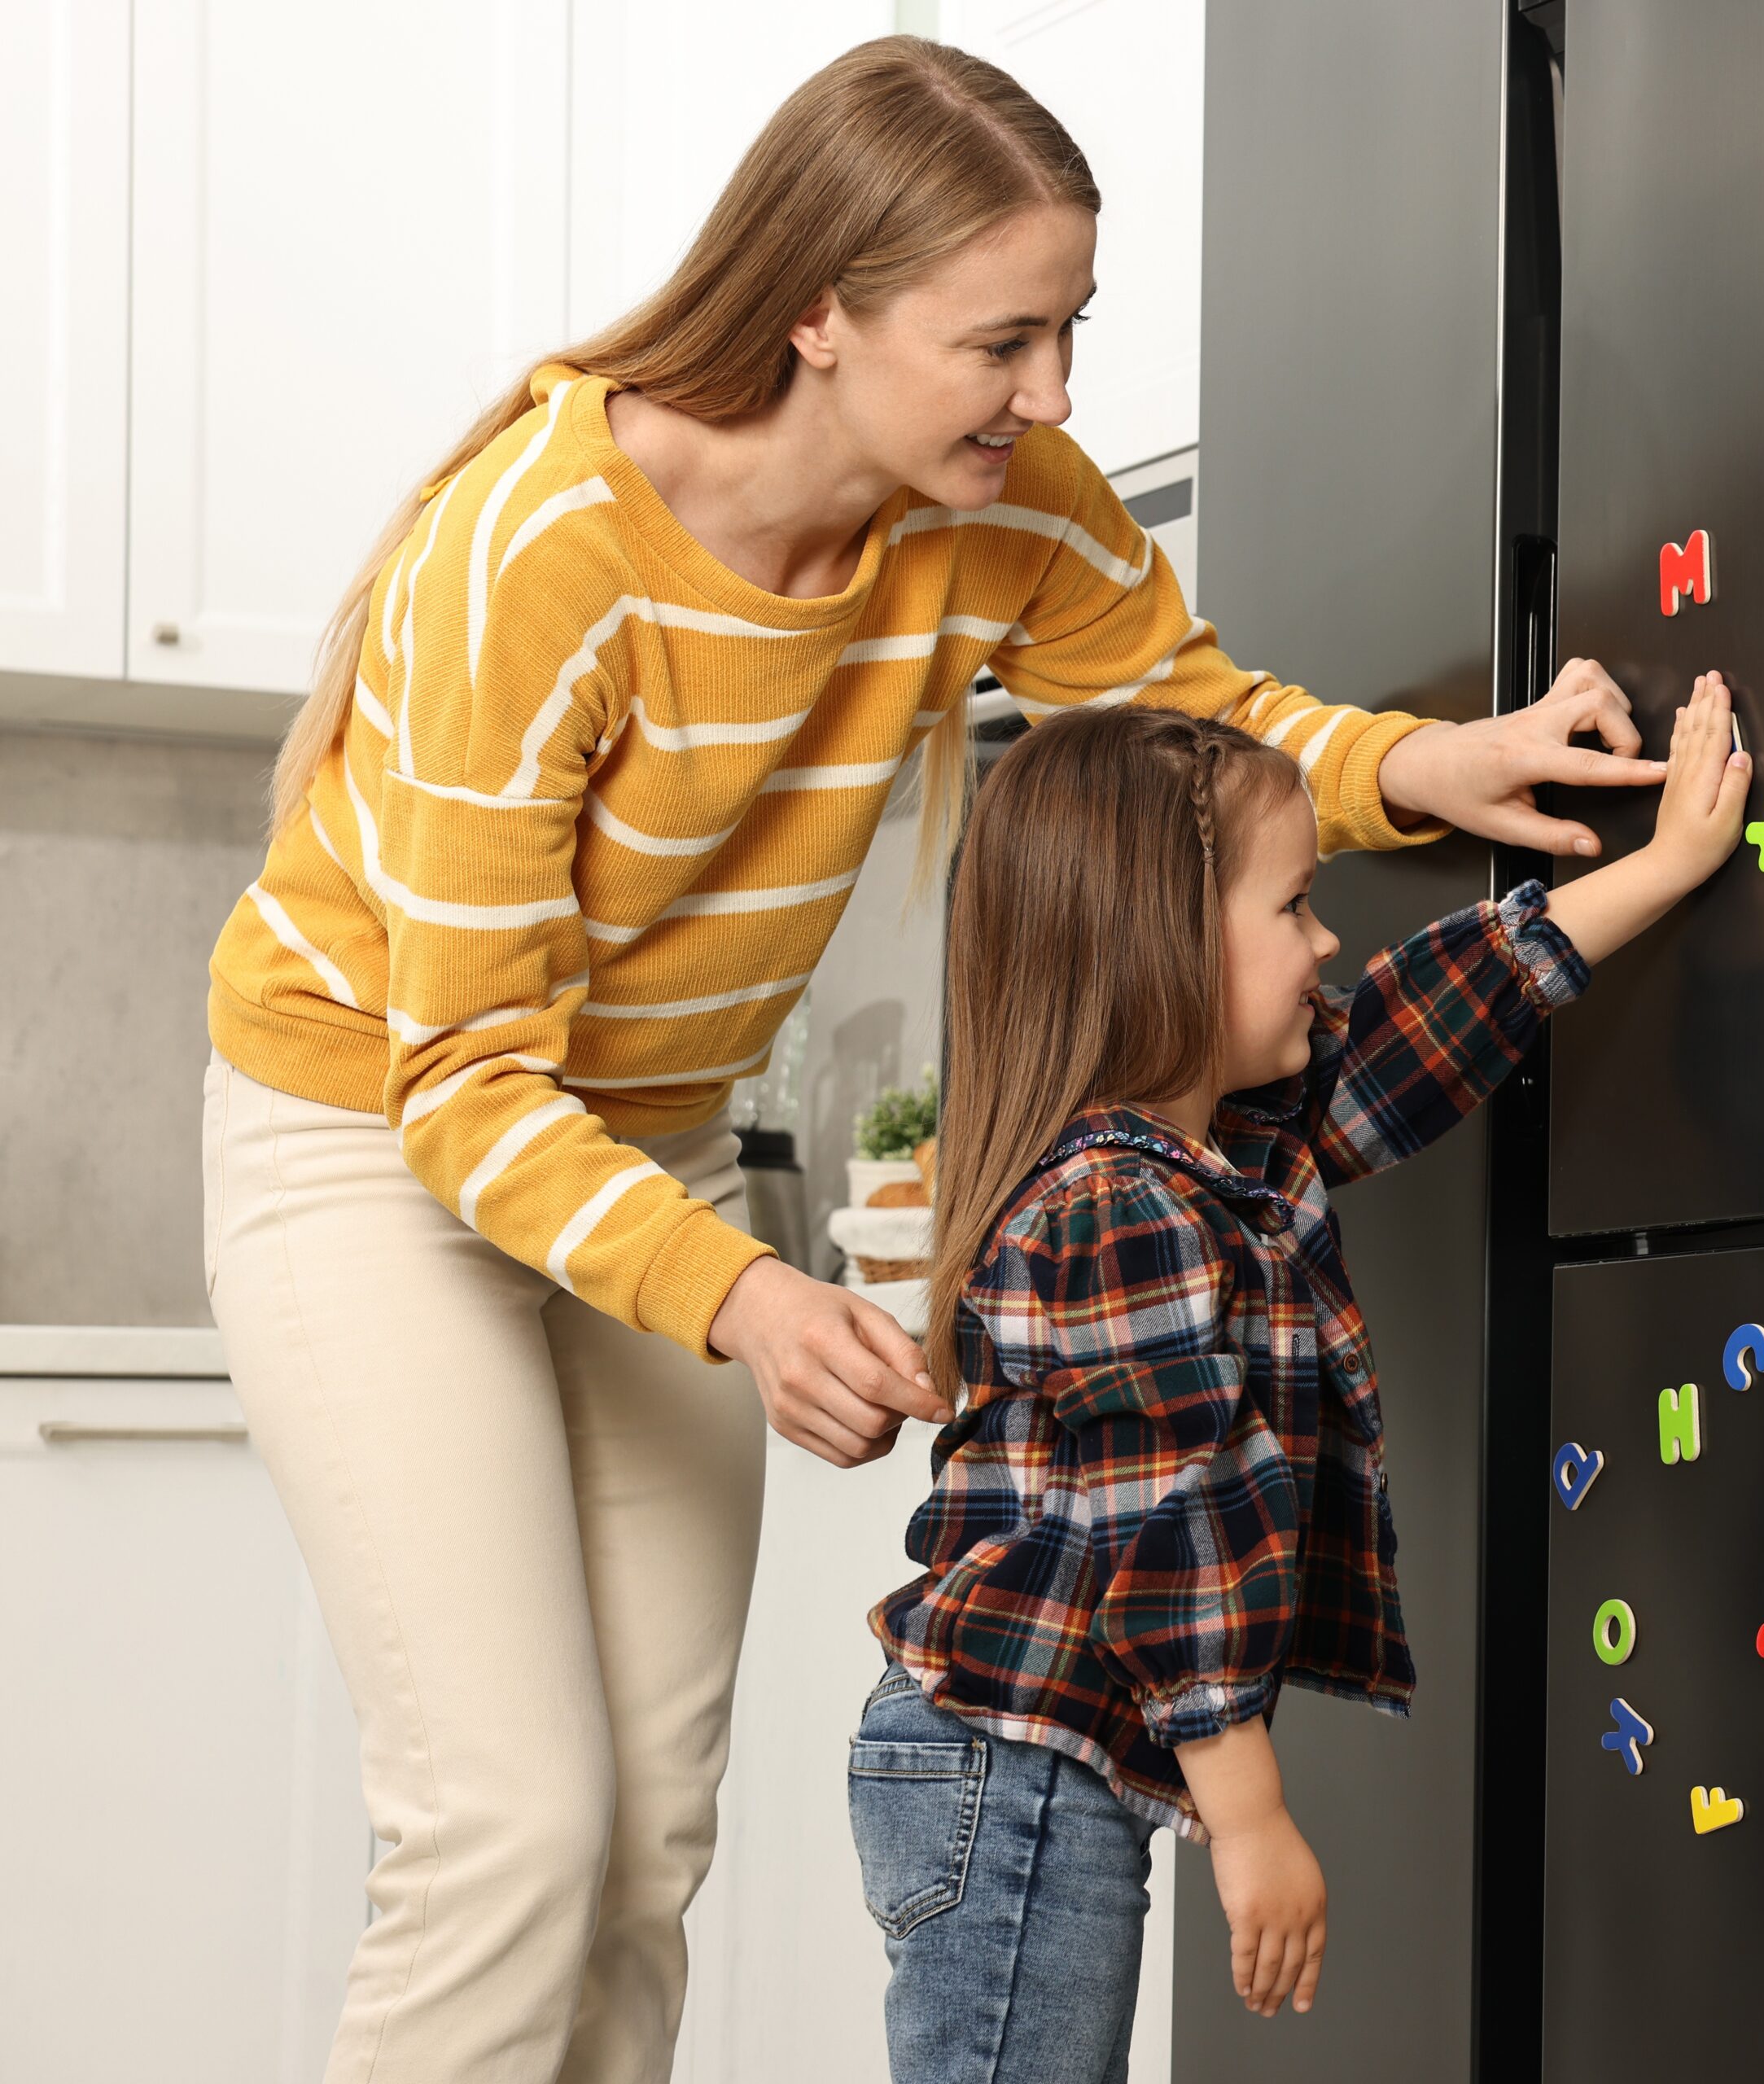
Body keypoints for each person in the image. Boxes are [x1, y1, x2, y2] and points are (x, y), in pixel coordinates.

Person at [201, 33, 1661, 2081]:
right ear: (818, 311)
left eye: (1072, 329)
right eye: (1003, 340)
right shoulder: (542, 552)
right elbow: (456, 1076)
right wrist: (737, 1294)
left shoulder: (990, 511)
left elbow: (1192, 712)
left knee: (644, 1834)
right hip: (377, 1128)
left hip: (647, 1140)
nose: (1052, 396)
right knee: (513, 1829)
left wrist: (1437, 762)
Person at [854, 679, 1750, 2081]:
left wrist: (1667, 865)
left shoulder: (1221, 1153)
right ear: (1156, 947)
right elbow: (1171, 1516)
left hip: (1030, 1764)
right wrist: (1254, 1820)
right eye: (1293, 911)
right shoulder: (1121, 1205)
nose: (1328, 943)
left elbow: (1415, 1031)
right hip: (1014, 1776)